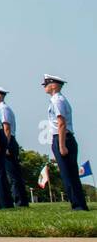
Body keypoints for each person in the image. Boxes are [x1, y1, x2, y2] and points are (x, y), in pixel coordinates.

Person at [43, 74, 88, 210]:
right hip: (63, 137)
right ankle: (78, 204)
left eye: (46, 84)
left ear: (53, 85)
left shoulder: (57, 100)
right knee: (70, 174)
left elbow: (61, 123)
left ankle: (78, 205)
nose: (44, 87)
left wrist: (61, 145)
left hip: (63, 138)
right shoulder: (57, 100)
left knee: (68, 175)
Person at [0, 86, 30, 206]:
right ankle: (19, 200)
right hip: (7, 141)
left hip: (8, 141)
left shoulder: (3, 109)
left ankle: (20, 201)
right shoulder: (0, 108)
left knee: (13, 174)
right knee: (11, 174)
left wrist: (5, 146)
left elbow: (6, 128)